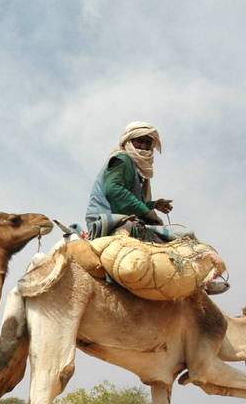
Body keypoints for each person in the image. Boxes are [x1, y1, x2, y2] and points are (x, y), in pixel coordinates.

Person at [84, 121, 228, 293]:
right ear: (127, 142)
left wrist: (153, 205)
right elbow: (114, 191)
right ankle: (200, 282)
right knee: (183, 237)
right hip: (108, 220)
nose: (144, 146)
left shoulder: (135, 170)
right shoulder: (122, 160)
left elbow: (127, 199)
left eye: (148, 143)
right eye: (139, 141)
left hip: (120, 218)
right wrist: (147, 212)